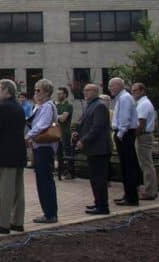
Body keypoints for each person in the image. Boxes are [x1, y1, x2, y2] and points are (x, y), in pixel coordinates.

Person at [0, 79, 27, 234]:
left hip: (4, 155)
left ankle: (3, 223)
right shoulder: (18, 108)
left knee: (4, 191)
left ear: (7, 91)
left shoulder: (2, 109)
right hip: (18, 154)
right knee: (18, 190)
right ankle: (17, 221)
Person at [73, 84, 112, 215]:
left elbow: (97, 127)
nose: (85, 92)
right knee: (94, 178)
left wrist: (84, 140)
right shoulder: (90, 105)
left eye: (88, 90)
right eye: (84, 90)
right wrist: (78, 133)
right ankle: (98, 202)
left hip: (100, 148)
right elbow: (85, 123)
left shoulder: (100, 105)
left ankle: (103, 206)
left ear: (95, 92)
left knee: (99, 178)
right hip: (93, 148)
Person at [26, 79, 59, 223]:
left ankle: (50, 213)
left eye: (38, 90)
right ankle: (48, 212)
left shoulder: (47, 106)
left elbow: (43, 124)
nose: (35, 93)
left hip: (45, 147)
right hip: (39, 147)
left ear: (46, 92)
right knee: (42, 180)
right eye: (35, 90)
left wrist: (29, 135)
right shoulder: (39, 106)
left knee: (45, 180)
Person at [108, 77, 140, 206]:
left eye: (112, 86)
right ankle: (128, 195)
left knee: (128, 166)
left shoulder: (125, 98)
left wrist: (120, 134)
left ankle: (131, 197)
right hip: (124, 133)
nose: (110, 88)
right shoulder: (121, 97)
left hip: (125, 134)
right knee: (125, 167)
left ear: (118, 85)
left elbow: (125, 117)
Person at [131, 83, 157, 200]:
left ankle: (150, 191)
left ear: (142, 91)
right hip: (144, 135)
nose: (133, 93)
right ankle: (150, 189)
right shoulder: (143, 103)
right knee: (145, 163)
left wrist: (133, 136)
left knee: (146, 164)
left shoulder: (144, 104)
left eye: (135, 90)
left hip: (143, 136)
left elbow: (141, 123)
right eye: (132, 91)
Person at [55, 87, 74, 179]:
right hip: (57, 131)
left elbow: (63, 119)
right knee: (59, 152)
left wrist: (57, 116)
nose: (58, 95)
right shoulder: (57, 105)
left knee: (67, 151)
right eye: (57, 94)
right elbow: (53, 117)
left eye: (60, 93)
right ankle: (60, 170)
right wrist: (58, 116)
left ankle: (70, 172)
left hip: (65, 132)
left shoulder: (68, 105)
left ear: (65, 94)